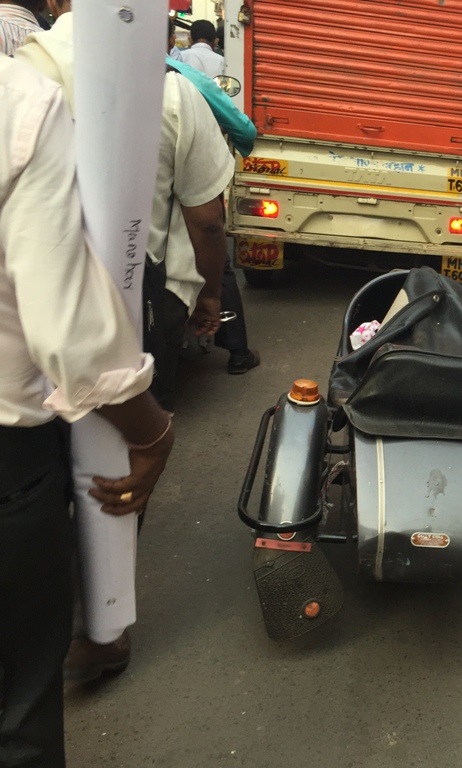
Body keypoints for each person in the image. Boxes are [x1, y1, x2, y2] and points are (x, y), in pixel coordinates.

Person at [16, 10, 235, 679]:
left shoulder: (21, 80)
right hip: (145, 299)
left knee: (40, 468)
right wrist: (210, 295)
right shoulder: (176, 97)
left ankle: (70, 609)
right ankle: (106, 620)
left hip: (19, 320)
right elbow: (206, 218)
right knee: (121, 460)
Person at [0, 55, 174, 768]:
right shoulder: (19, 102)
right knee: (19, 710)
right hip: (10, 459)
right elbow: (64, 327)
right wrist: (151, 431)